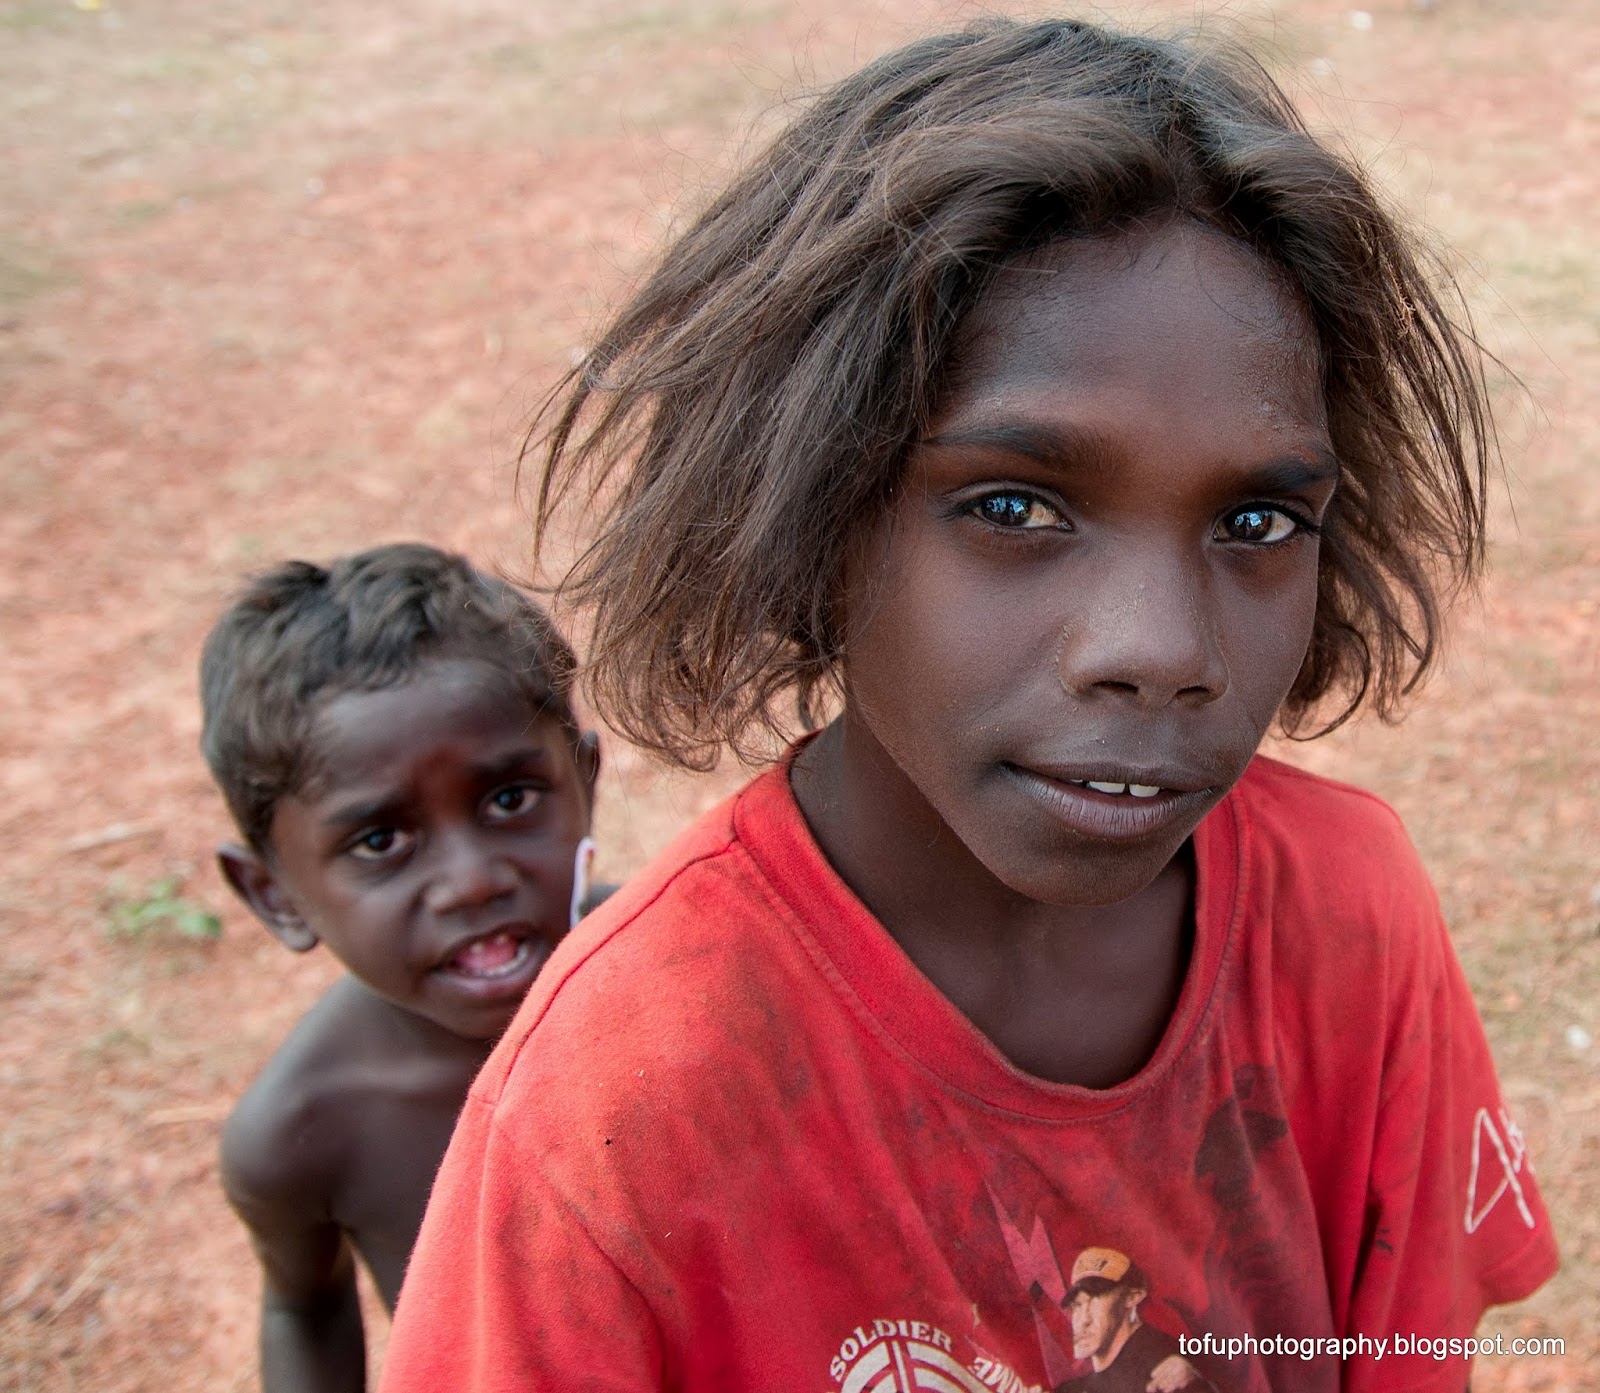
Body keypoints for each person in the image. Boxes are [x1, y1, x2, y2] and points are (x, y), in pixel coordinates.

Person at [380, 18, 1558, 1393]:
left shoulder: (1349, 914)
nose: (1164, 649)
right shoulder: (616, 1106)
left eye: (1254, 517)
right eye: (1014, 505)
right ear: (808, 506)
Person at [199, 543, 604, 1393]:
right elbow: (304, 1309)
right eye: (381, 840)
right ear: (275, 894)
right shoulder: (304, 1131)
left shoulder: (702, 973)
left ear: (584, 781)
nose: (473, 878)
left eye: (509, 798)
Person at [1058, 1248, 1214, 1392]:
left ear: (1132, 1297)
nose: (1084, 1320)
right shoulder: (1085, 1384)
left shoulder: (1167, 1367)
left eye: (1097, 1299)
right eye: (1077, 1305)